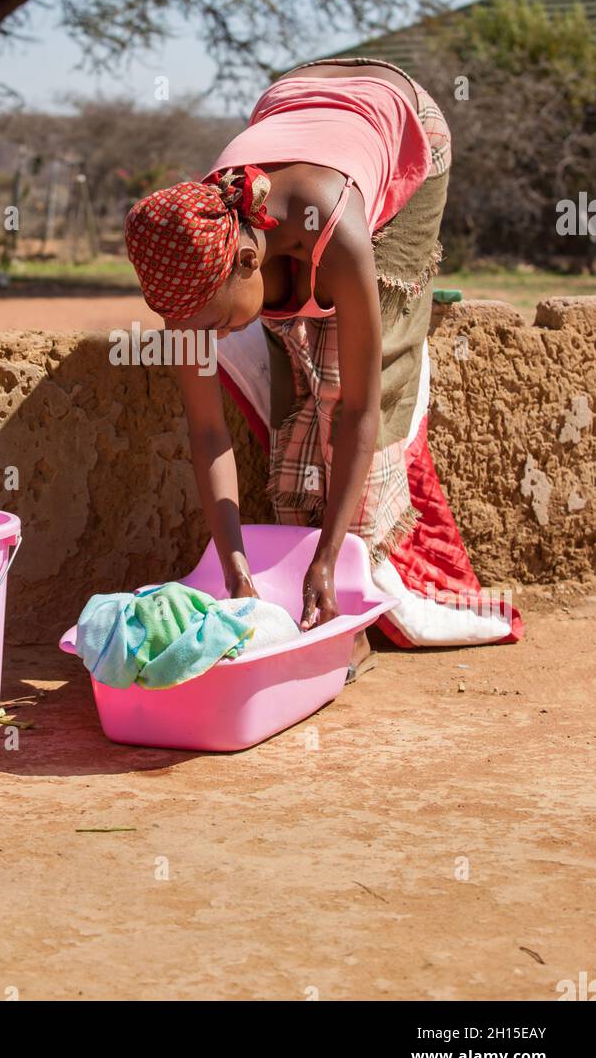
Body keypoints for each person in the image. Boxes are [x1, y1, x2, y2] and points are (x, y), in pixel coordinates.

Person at [125, 58, 522, 678]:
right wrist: (235, 564)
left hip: (400, 119)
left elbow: (360, 408)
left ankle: (354, 601)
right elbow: (208, 434)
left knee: (355, 369)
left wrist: (330, 558)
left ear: (250, 262)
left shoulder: (334, 224)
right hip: (289, 103)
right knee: (296, 375)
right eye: (191, 330)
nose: (206, 339)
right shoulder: (190, 271)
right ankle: (304, 572)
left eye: (217, 322)